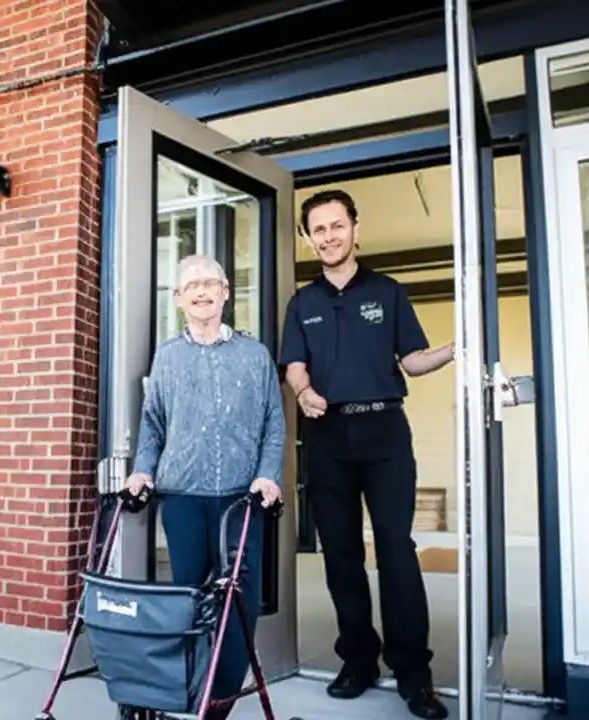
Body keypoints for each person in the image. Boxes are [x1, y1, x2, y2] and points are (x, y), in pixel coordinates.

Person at [280, 189, 454, 720]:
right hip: (328, 438)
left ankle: (413, 674)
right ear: (309, 239)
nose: (329, 236)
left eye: (337, 225)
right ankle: (358, 660)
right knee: (341, 555)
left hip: (384, 434)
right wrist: (304, 393)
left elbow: (415, 361)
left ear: (357, 228)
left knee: (396, 551)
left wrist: (457, 348)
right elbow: (294, 367)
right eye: (319, 230)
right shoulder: (302, 303)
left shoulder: (389, 291)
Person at [123, 254, 286, 720]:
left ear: (226, 292)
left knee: (239, 606)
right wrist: (142, 470)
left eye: (210, 283)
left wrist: (267, 475)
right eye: (191, 285)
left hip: (241, 500)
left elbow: (274, 423)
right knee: (190, 601)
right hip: (183, 499)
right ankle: (187, 694)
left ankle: (214, 708)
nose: (201, 291)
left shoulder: (254, 356)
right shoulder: (168, 356)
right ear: (178, 299)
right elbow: (153, 423)